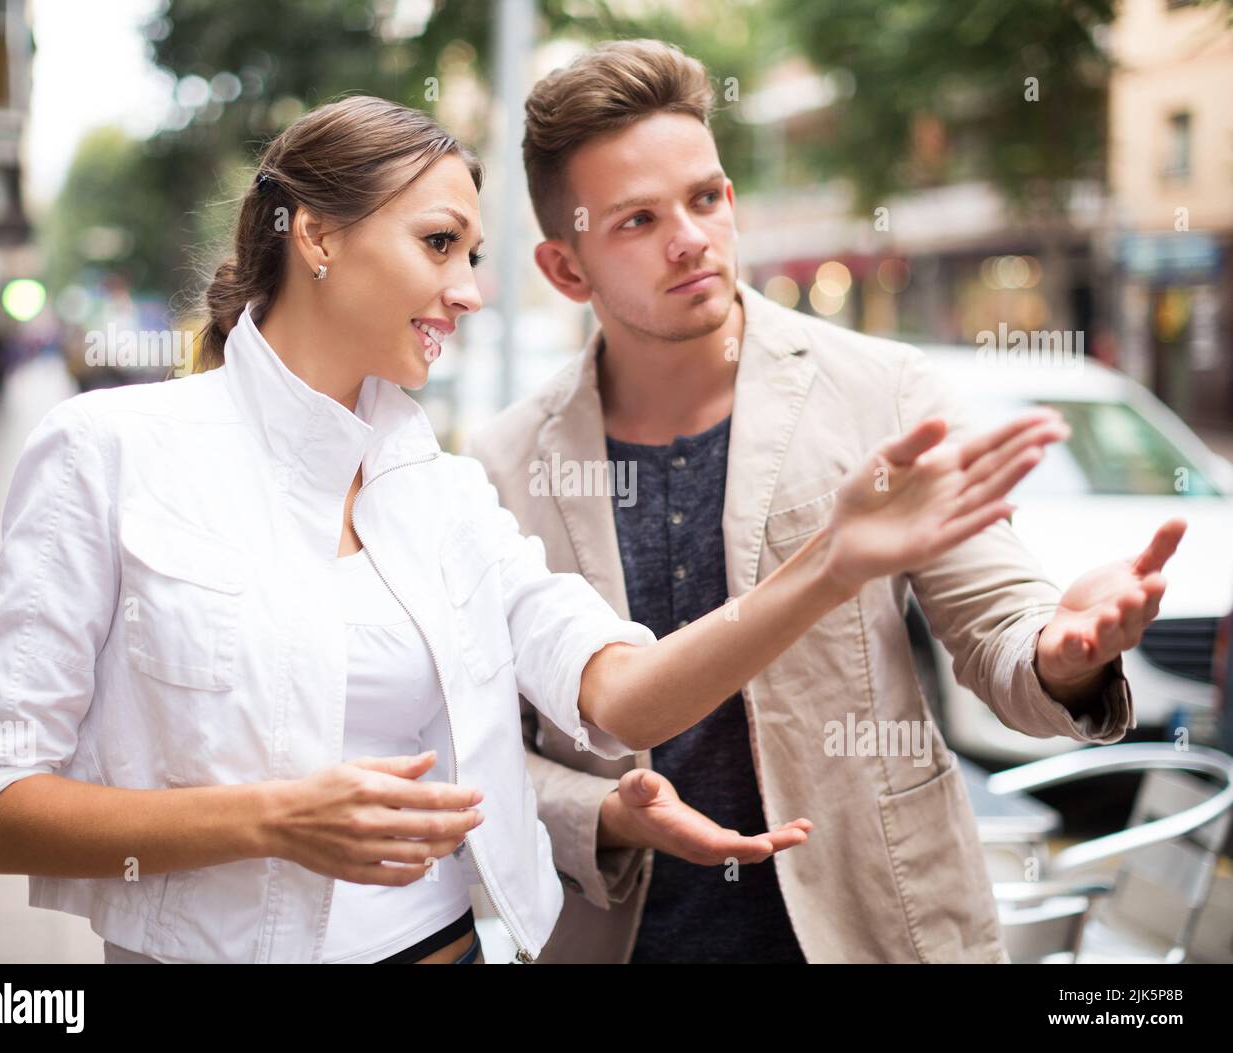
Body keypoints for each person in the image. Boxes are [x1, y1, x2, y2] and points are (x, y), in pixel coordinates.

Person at [0, 95, 1062, 965]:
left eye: (473, 255)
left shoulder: (436, 487)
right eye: (439, 245)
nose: (469, 290)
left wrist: (829, 567)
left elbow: (626, 695)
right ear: (318, 239)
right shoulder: (111, 453)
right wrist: (273, 819)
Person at [463, 39, 1188, 963]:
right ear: (567, 270)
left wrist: (1064, 654)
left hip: (873, 925)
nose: (691, 236)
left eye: (705, 196)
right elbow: (481, 747)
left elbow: (999, 627)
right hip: (623, 938)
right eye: (637, 220)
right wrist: (601, 811)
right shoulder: (505, 460)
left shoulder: (882, 391)